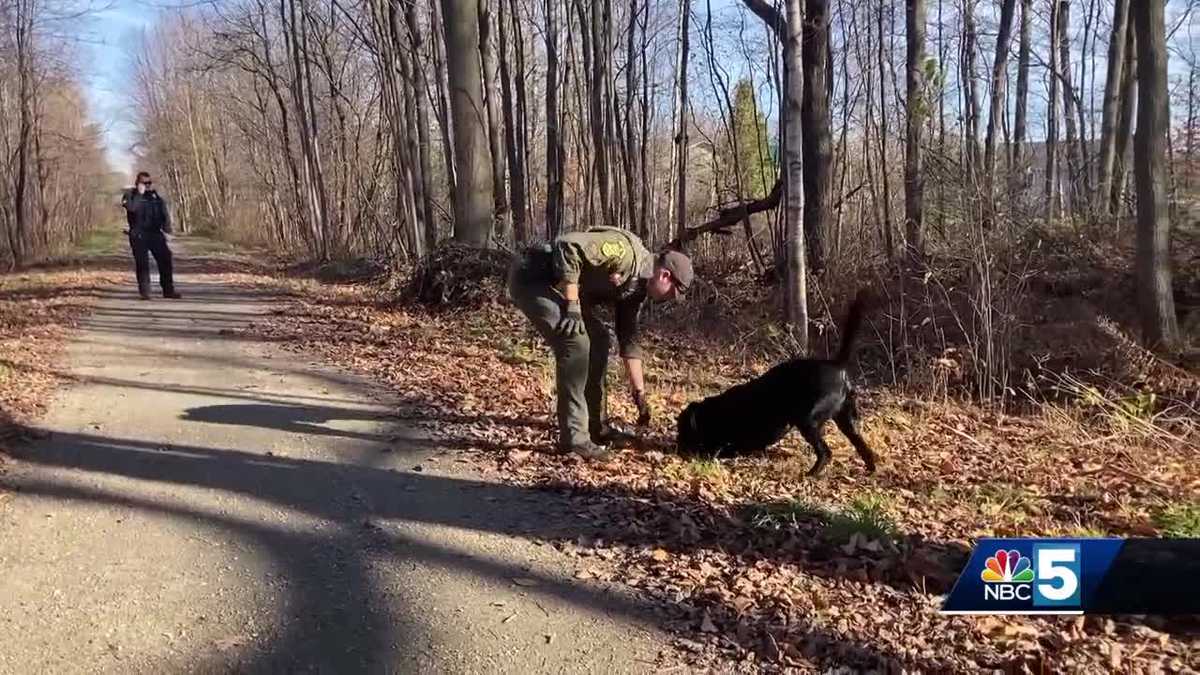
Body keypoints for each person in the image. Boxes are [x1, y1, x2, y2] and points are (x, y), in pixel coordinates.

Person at [508, 226, 694, 459]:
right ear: (665, 276)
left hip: (558, 289)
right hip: (534, 278)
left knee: (599, 339)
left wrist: (640, 392)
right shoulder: (625, 254)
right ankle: (574, 439)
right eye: (672, 294)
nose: (669, 300)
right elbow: (568, 244)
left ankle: (596, 428)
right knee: (575, 341)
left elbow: (628, 337)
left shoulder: (637, 289)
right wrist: (573, 306)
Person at [121, 171, 180, 300]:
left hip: (155, 233)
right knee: (143, 263)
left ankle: (168, 290)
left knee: (166, 258)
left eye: (149, 183)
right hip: (138, 234)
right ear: (137, 183)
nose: (147, 186)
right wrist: (139, 194)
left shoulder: (154, 196)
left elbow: (163, 213)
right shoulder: (129, 195)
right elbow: (131, 208)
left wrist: (168, 230)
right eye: (144, 183)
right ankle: (145, 292)